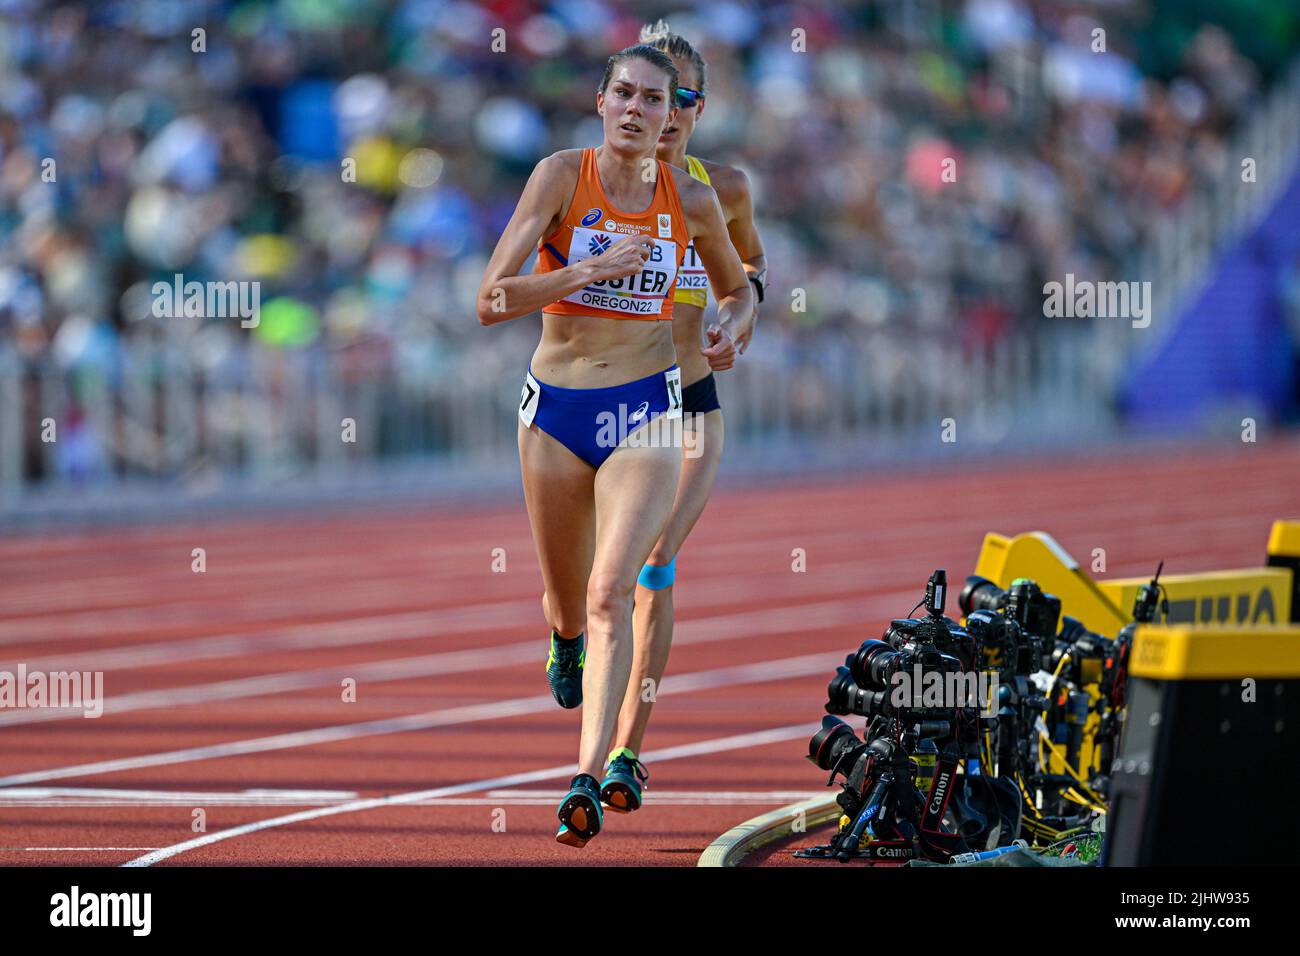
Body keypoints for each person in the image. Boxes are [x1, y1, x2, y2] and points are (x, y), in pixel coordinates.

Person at [477, 43, 754, 848]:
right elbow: (491, 299)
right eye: (623, 94)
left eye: (654, 99)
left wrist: (730, 327)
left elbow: (737, 287)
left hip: (649, 411)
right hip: (557, 411)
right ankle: (562, 642)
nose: (637, 109)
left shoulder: (693, 199)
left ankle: (589, 776)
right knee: (570, 605)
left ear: (673, 116)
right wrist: (582, 269)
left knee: (614, 591)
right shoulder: (561, 176)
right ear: (601, 102)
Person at [599, 22, 767, 817]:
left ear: (695, 105)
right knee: (594, 590)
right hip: (604, 411)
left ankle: (627, 753)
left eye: (683, 100)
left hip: (689, 408)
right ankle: (573, 633)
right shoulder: (588, 183)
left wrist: (739, 317)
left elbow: (752, 272)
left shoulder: (721, 189)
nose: (667, 118)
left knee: (655, 568)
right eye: (652, 98)